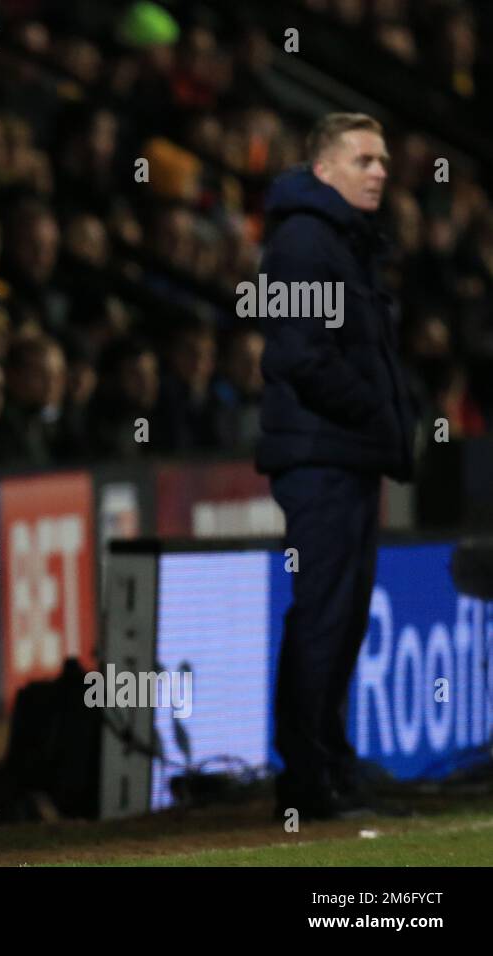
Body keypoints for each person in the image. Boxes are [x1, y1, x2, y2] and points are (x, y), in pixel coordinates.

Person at [257, 113, 417, 821]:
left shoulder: (346, 242)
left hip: (347, 456)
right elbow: (297, 355)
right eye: (364, 159)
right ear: (324, 170)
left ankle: (331, 763)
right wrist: (377, 416)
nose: (380, 170)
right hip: (320, 456)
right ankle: (306, 780)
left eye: (383, 159)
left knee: (343, 617)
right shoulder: (301, 242)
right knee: (322, 615)